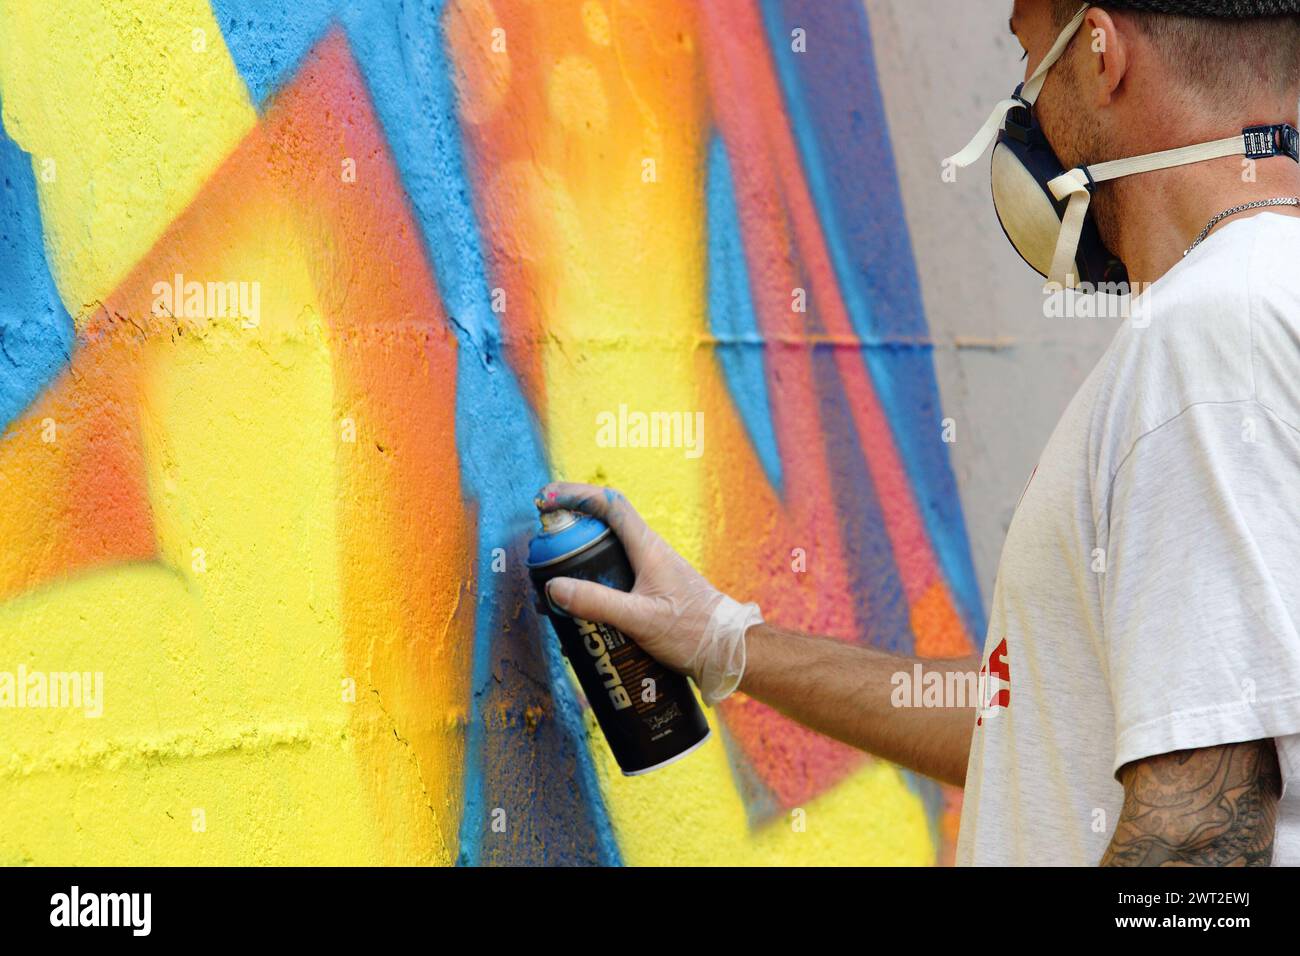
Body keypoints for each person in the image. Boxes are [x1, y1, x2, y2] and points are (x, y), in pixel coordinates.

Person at [536, 0, 1300, 866]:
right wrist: (726, 641)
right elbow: (1043, 732)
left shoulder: (1209, 333)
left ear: (1099, 51)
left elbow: (1198, 839)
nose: (1021, 101)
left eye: (1027, 53)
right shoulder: (1253, 312)